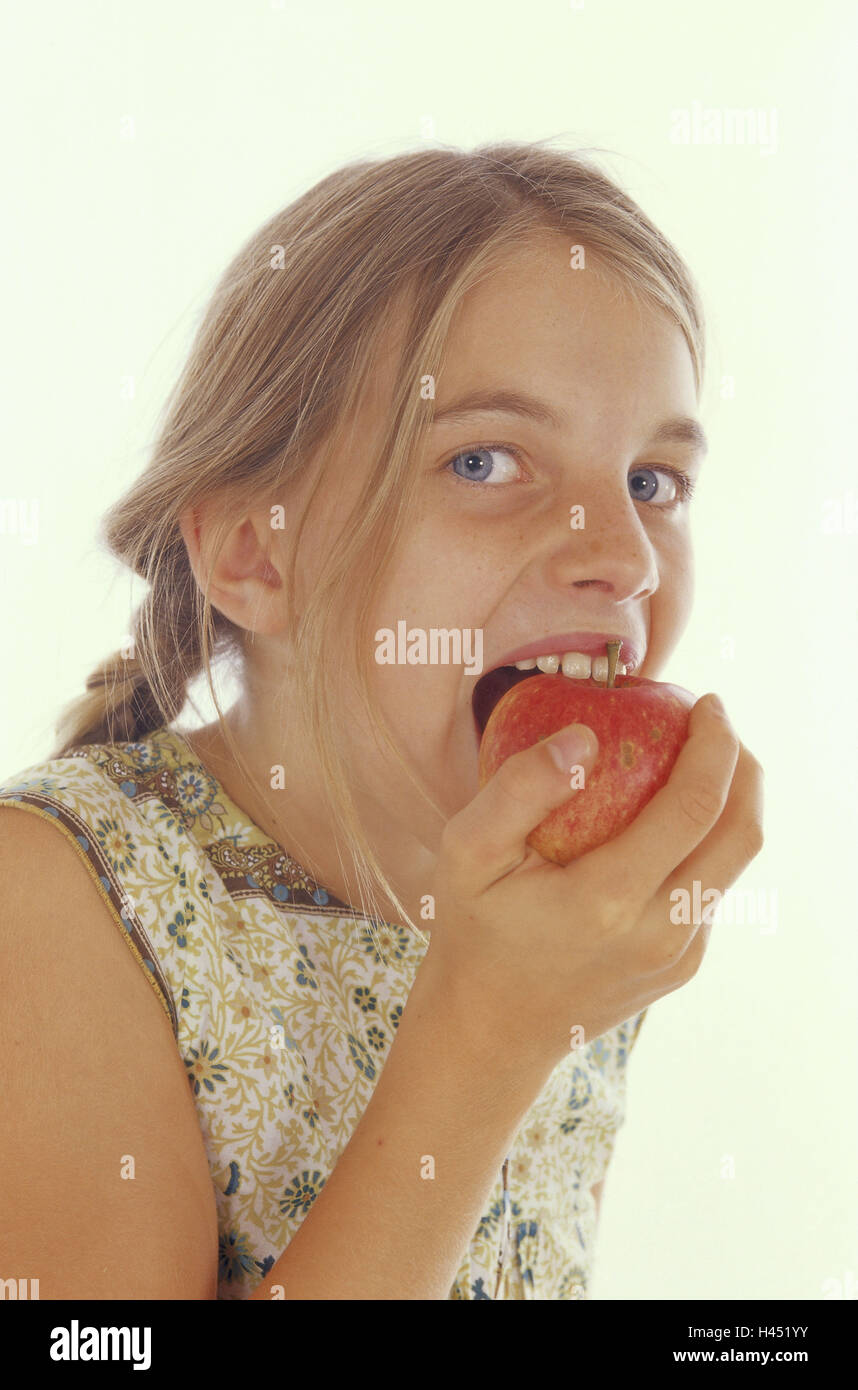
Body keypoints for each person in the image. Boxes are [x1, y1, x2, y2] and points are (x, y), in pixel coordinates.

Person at [0, 140, 764, 1300]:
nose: (621, 556)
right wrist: (487, 1037)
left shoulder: (569, 929)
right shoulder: (53, 902)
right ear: (259, 550)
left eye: (653, 480)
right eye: (487, 459)